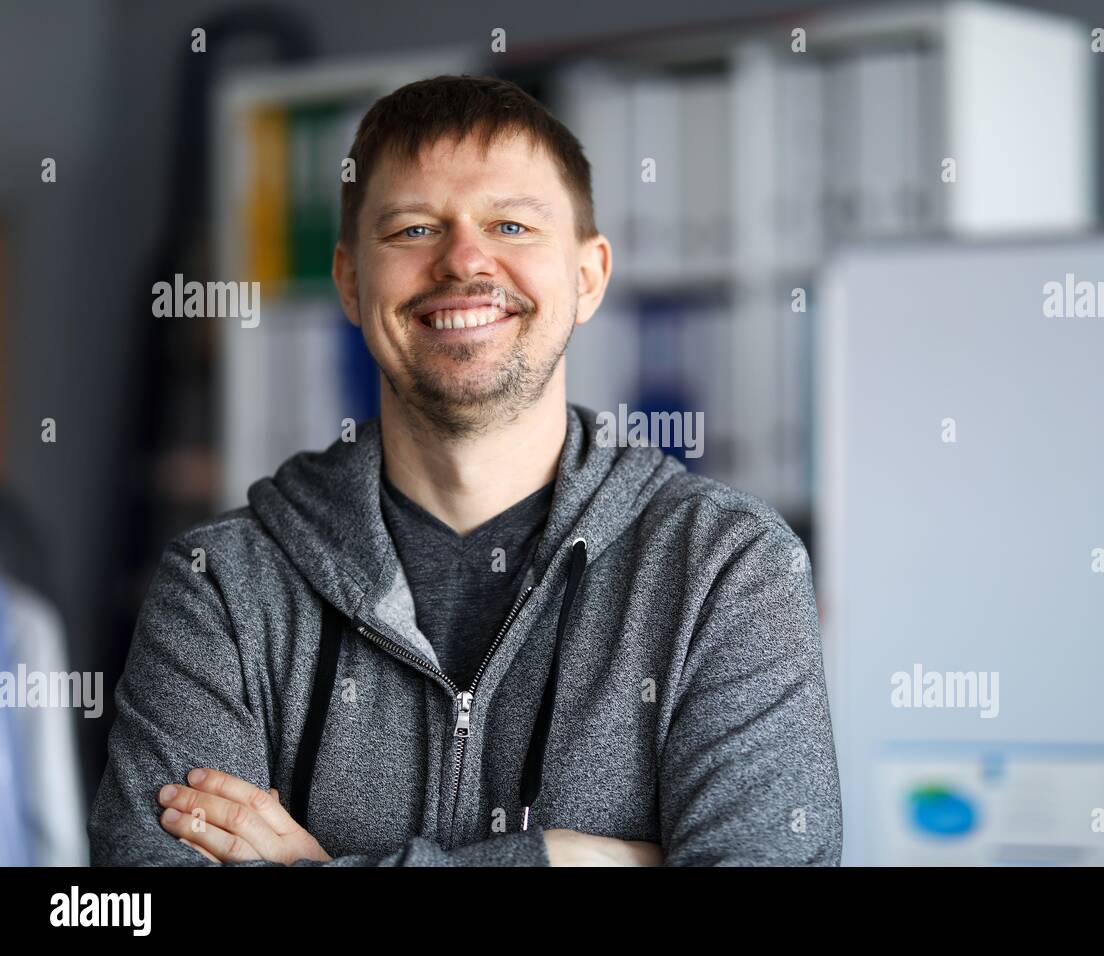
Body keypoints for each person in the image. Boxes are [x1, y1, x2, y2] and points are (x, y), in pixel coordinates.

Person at [88, 74, 841, 866]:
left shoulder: (729, 567)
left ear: (588, 277)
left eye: (511, 224)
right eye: (414, 230)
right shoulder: (221, 586)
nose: (465, 262)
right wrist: (563, 858)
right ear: (350, 281)